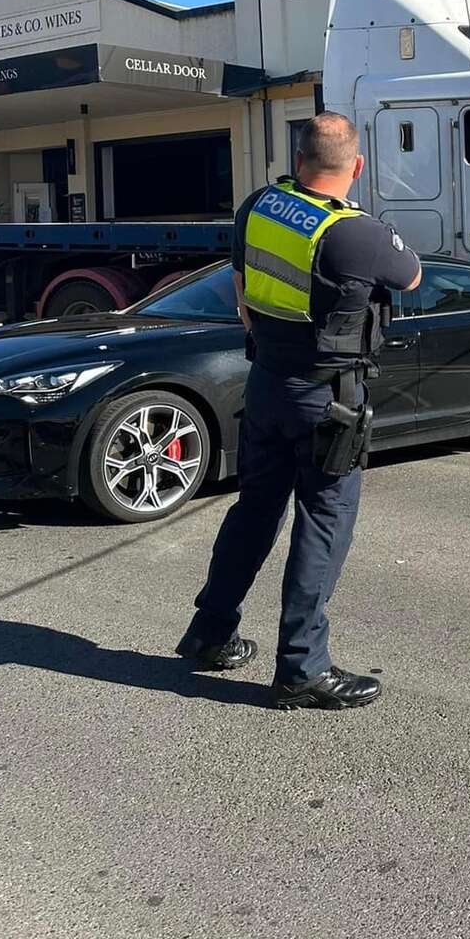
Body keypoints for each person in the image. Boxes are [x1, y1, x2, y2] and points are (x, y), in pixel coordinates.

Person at [176, 113, 421, 710]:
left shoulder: (258, 206)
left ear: (300, 155)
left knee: (254, 512)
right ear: (356, 166)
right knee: (322, 522)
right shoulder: (356, 233)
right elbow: (411, 276)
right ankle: (302, 668)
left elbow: (240, 283)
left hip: (265, 384)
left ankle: (210, 631)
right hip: (329, 399)